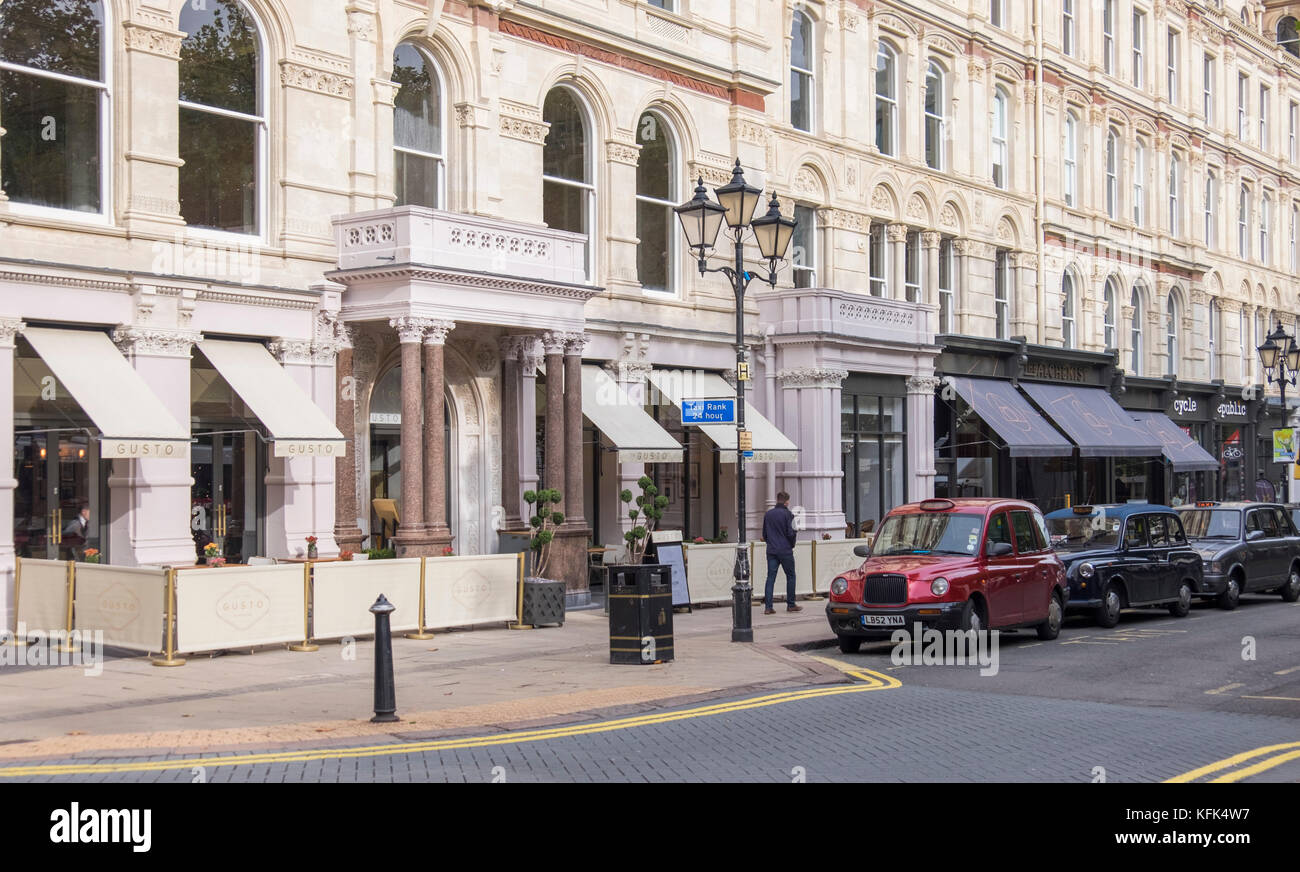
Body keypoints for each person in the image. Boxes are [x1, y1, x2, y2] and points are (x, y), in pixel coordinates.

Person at [761, 492, 801, 615]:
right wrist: (791, 544)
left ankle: (768, 607)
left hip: (771, 550)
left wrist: (771, 543)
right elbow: (791, 533)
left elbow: (764, 534)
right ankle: (791, 604)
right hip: (785, 550)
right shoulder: (789, 514)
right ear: (786, 502)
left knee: (770, 577)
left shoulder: (768, 514)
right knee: (790, 576)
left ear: (777, 500)